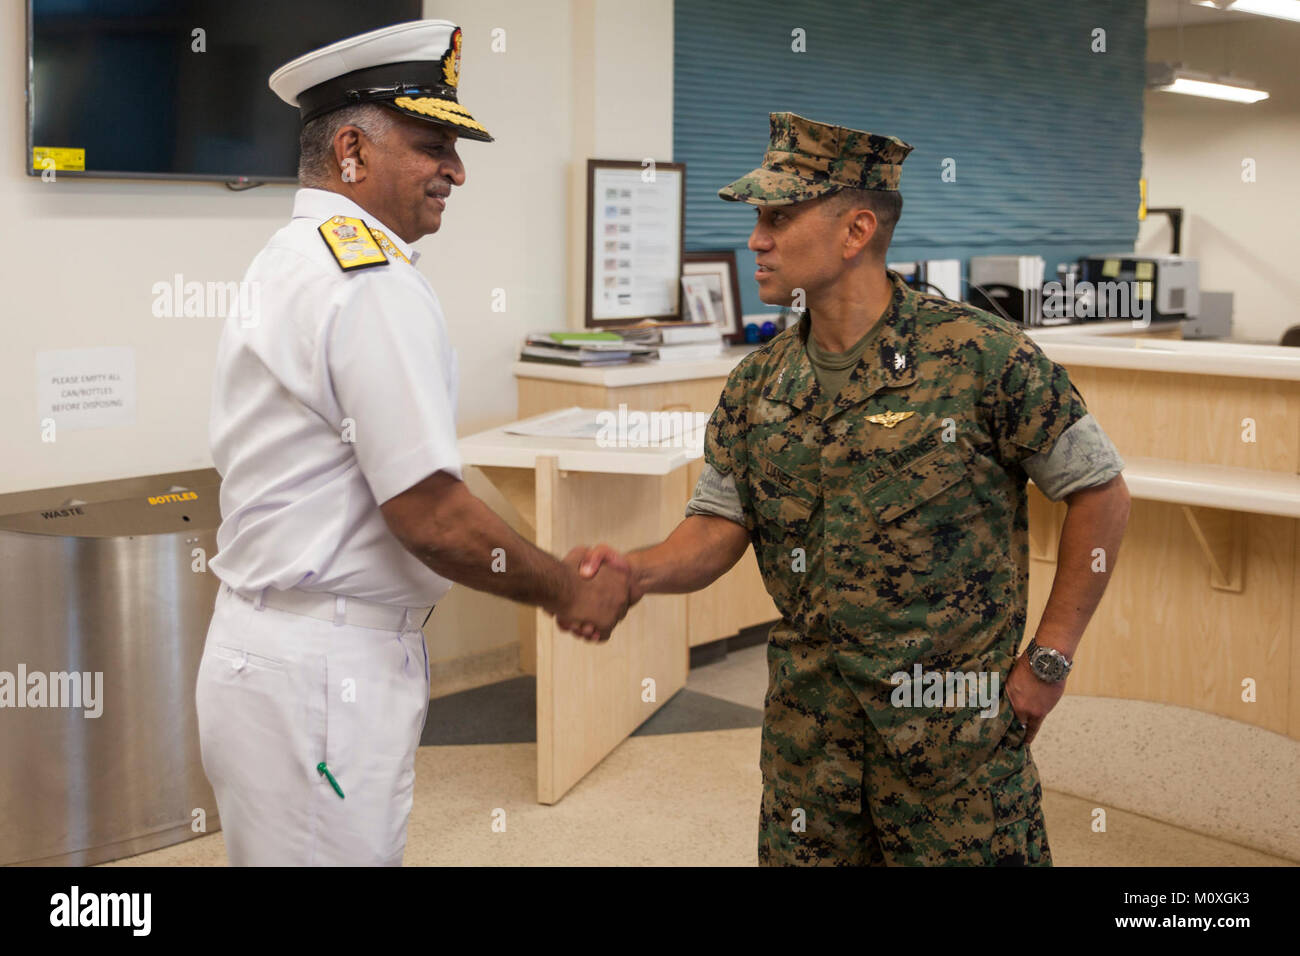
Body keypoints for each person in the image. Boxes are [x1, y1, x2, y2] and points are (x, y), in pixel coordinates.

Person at [567, 112, 1131, 866]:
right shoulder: (757, 385)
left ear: (855, 229)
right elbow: (717, 523)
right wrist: (638, 571)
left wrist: (1051, 657)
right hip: (812, 739)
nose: (755, 239)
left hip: (951, 737)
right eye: (757, 219)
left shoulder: (982, 357)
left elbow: (1099, 488)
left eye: (778, 216)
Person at [197, 20, 630, 867]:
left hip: (279, 655)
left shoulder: (294, 256)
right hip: (327, 670)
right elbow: (432, 515)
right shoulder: (369, 282)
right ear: (351, 149)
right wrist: (562, 589)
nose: (456, 171)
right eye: (434, 145)